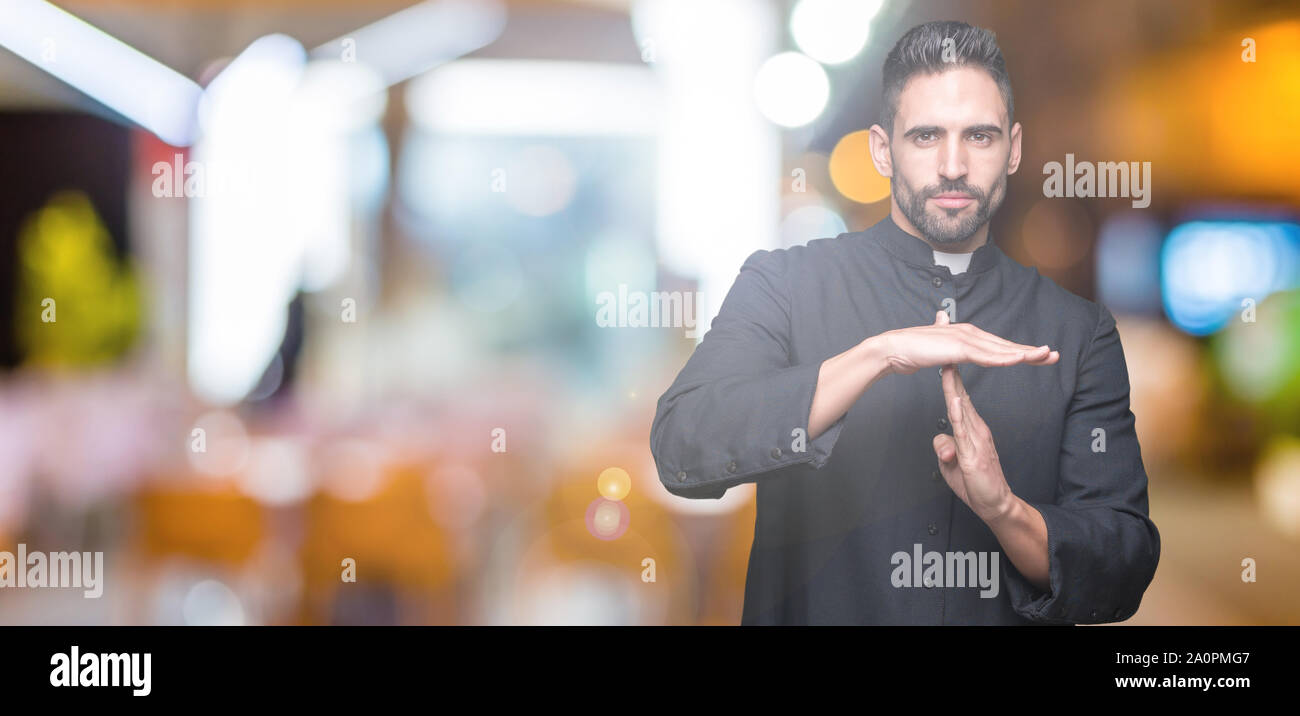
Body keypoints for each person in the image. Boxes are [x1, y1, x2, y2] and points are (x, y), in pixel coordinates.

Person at [649, 20, 1160, 625]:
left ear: (1014, 148)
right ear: (882, 149)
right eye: (925, 136)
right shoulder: (783, 285)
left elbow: (1123, 565)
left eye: (979, 136)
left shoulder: (1078, 333)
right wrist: (877, 355)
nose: (952, 165)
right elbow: (683, 446)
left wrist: (1005, 511)